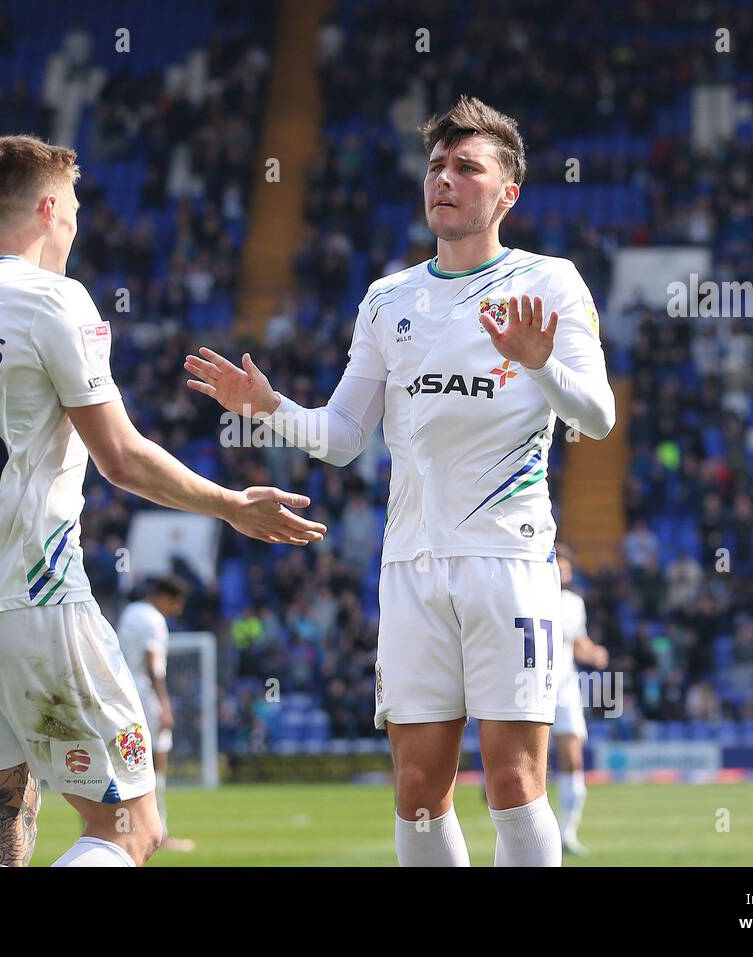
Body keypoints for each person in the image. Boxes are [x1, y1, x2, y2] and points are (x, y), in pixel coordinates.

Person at [0, 134, 325, 868]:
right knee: (130, 828)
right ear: (48, 208)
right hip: (34, 602)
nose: (76, 224)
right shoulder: (53, 299)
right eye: (73, 208)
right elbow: (122, 457)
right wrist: (231, 503)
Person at [185, 95, 615, 866]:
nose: (444, 179)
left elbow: (601, 414)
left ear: (507, 192)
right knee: (419, 792)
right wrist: (268, 406)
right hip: (410, 568)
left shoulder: (550, 283)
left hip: (508, 563)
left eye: (466, 167)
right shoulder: (389, 299)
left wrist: (541, 360)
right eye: (436, 166)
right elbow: (345, 438)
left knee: (514, 782)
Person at [117, 575, 194, 852]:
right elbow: (152, 662)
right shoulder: (154, 620)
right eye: (177, 603)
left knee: (126, 763)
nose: (177, 610)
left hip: (122, 693)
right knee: (157, 759)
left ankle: (120, 828)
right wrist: (164, 704)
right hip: (145, 695)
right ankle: (158, 831)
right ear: (166, 597)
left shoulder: (130, 612)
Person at [550, 546, 608, 857]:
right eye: (558, 567)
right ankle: (531, 834)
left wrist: (593, 652)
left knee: (573, 757)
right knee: (531, 762)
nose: (563, 573)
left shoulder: (573, 603)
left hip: (566, 684)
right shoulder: (529, 595)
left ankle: (567, 833)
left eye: (566, 569)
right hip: (529, 686)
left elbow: (577, 643)